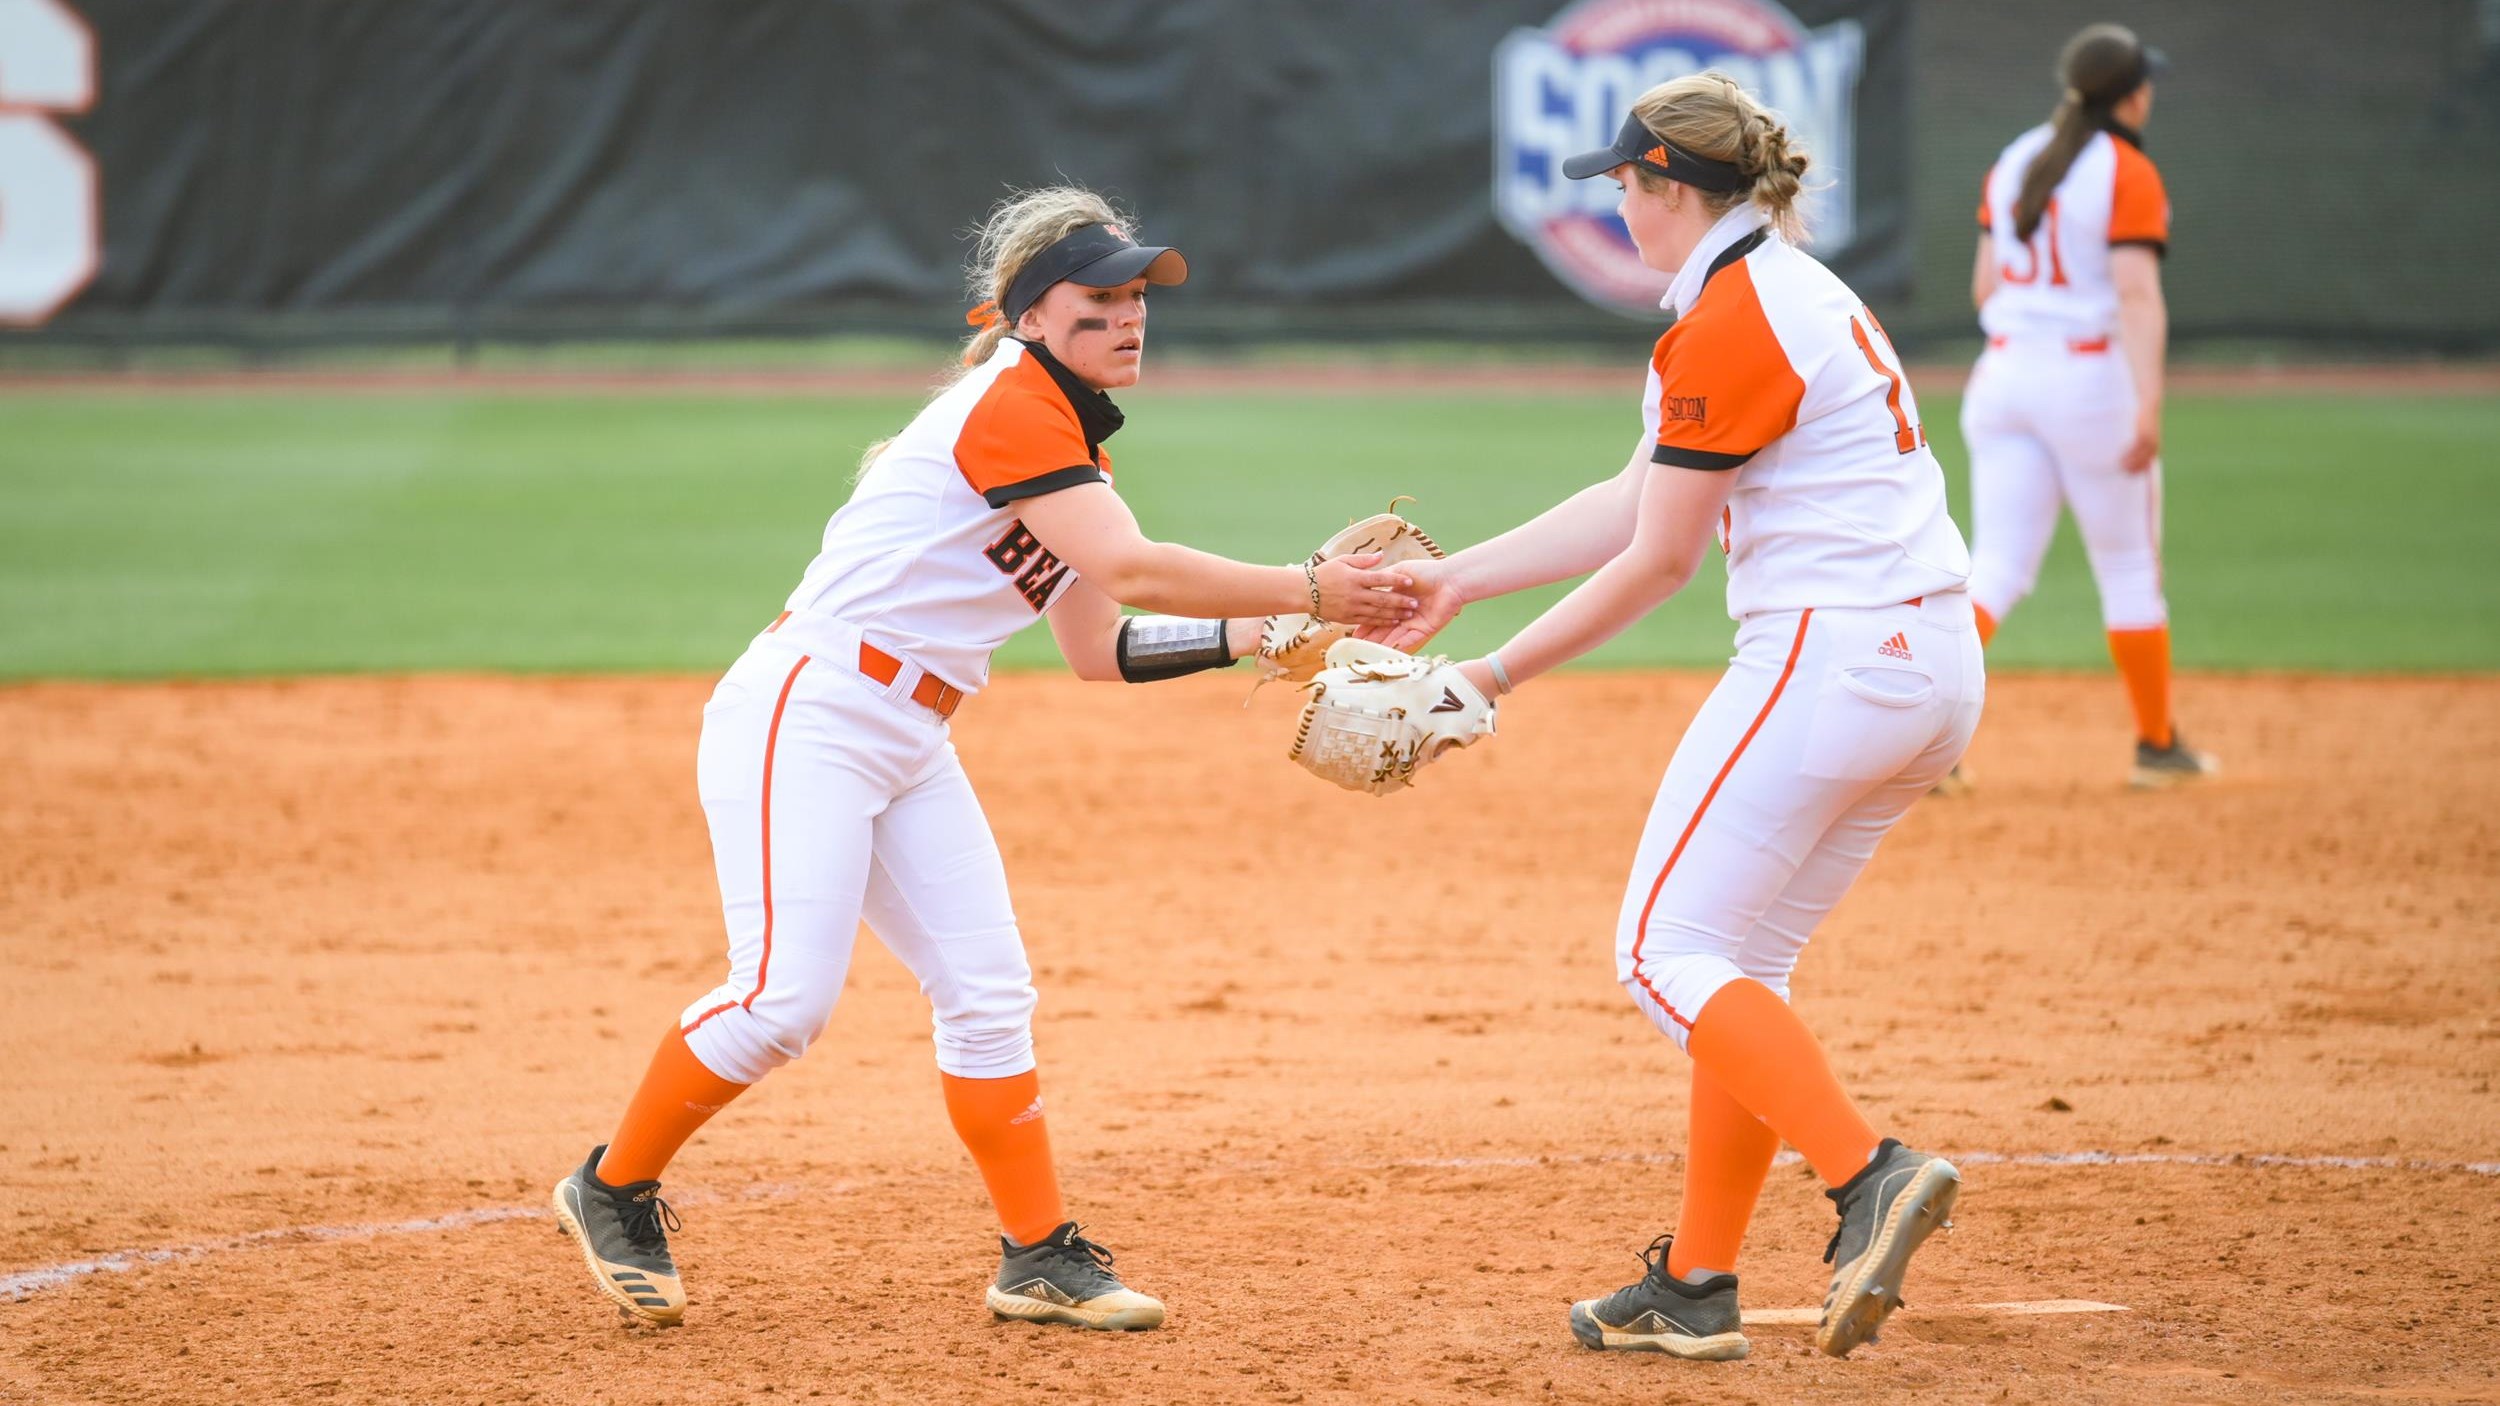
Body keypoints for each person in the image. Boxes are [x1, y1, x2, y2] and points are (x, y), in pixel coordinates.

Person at [551, 186, 1418, 1332]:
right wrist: (1306, 587)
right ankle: (611, 1184)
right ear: (1027, 316)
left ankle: (1036, 1256)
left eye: (1136, 298)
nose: (1129, 316)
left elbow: (1103, 646)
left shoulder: (1072, 458)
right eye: (1099, 297)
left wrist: (1263, 636)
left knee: (988, 991)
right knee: (781, 1001)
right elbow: (1146, 570)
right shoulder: (1007, 407)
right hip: (807, 712)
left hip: (909, 733)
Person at [1376, 74, 1978, 1360]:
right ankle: (1697, 1285)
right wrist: (1458, 577)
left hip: (1831, 660)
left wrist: (1487, 679)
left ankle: (1867, 1171)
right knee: (1734, 966)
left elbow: (1657, 561)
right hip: (1924, 666)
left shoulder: (1731, 316)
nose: (1621, 207)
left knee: (1658, 952)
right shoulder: (1782, 289)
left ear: (1664, 187)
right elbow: (1637, 492)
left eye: (1627, 186)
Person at [1961, 23, 2215, 788]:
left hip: (2002, 376)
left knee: (1995, 568)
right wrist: (2149, 404)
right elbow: (2137, 296)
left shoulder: (2015, 160)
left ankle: (1917, 743)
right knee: (2130, 569)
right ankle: (2156, 746)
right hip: (2088, 381)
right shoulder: (2126, 171)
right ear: (2132, 94)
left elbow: (1984, 290)